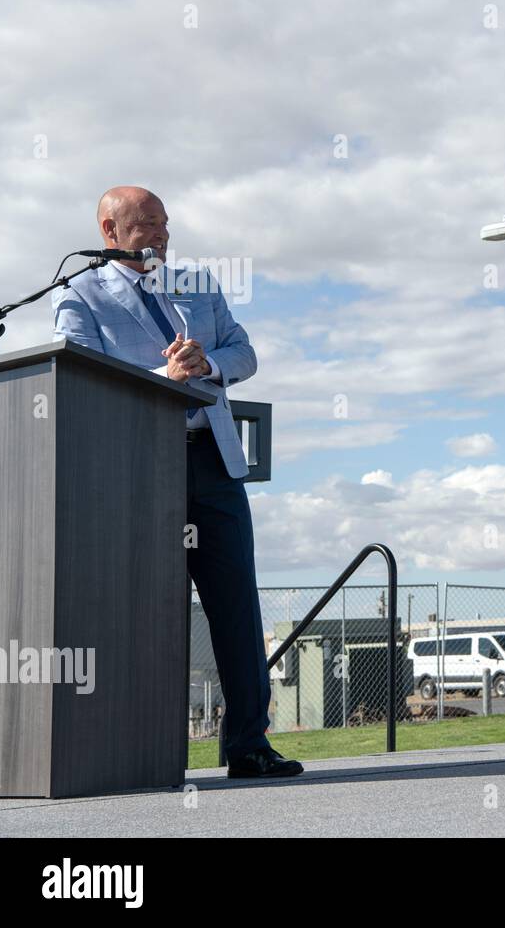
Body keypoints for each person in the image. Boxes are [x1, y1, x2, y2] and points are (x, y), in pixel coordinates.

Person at [52, 186, 301, 779]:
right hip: (138, 469)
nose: (162, 236)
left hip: (213, 464)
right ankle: (132, 750)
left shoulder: (197, 285)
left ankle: (249, 746)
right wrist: (164, 375)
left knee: (238, 605)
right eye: (147, 226)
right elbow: (81, 370)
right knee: (134, 611)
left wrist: (208, 364)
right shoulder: (79, 294)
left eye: (165, 224)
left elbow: (244, 352)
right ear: (110, 232)